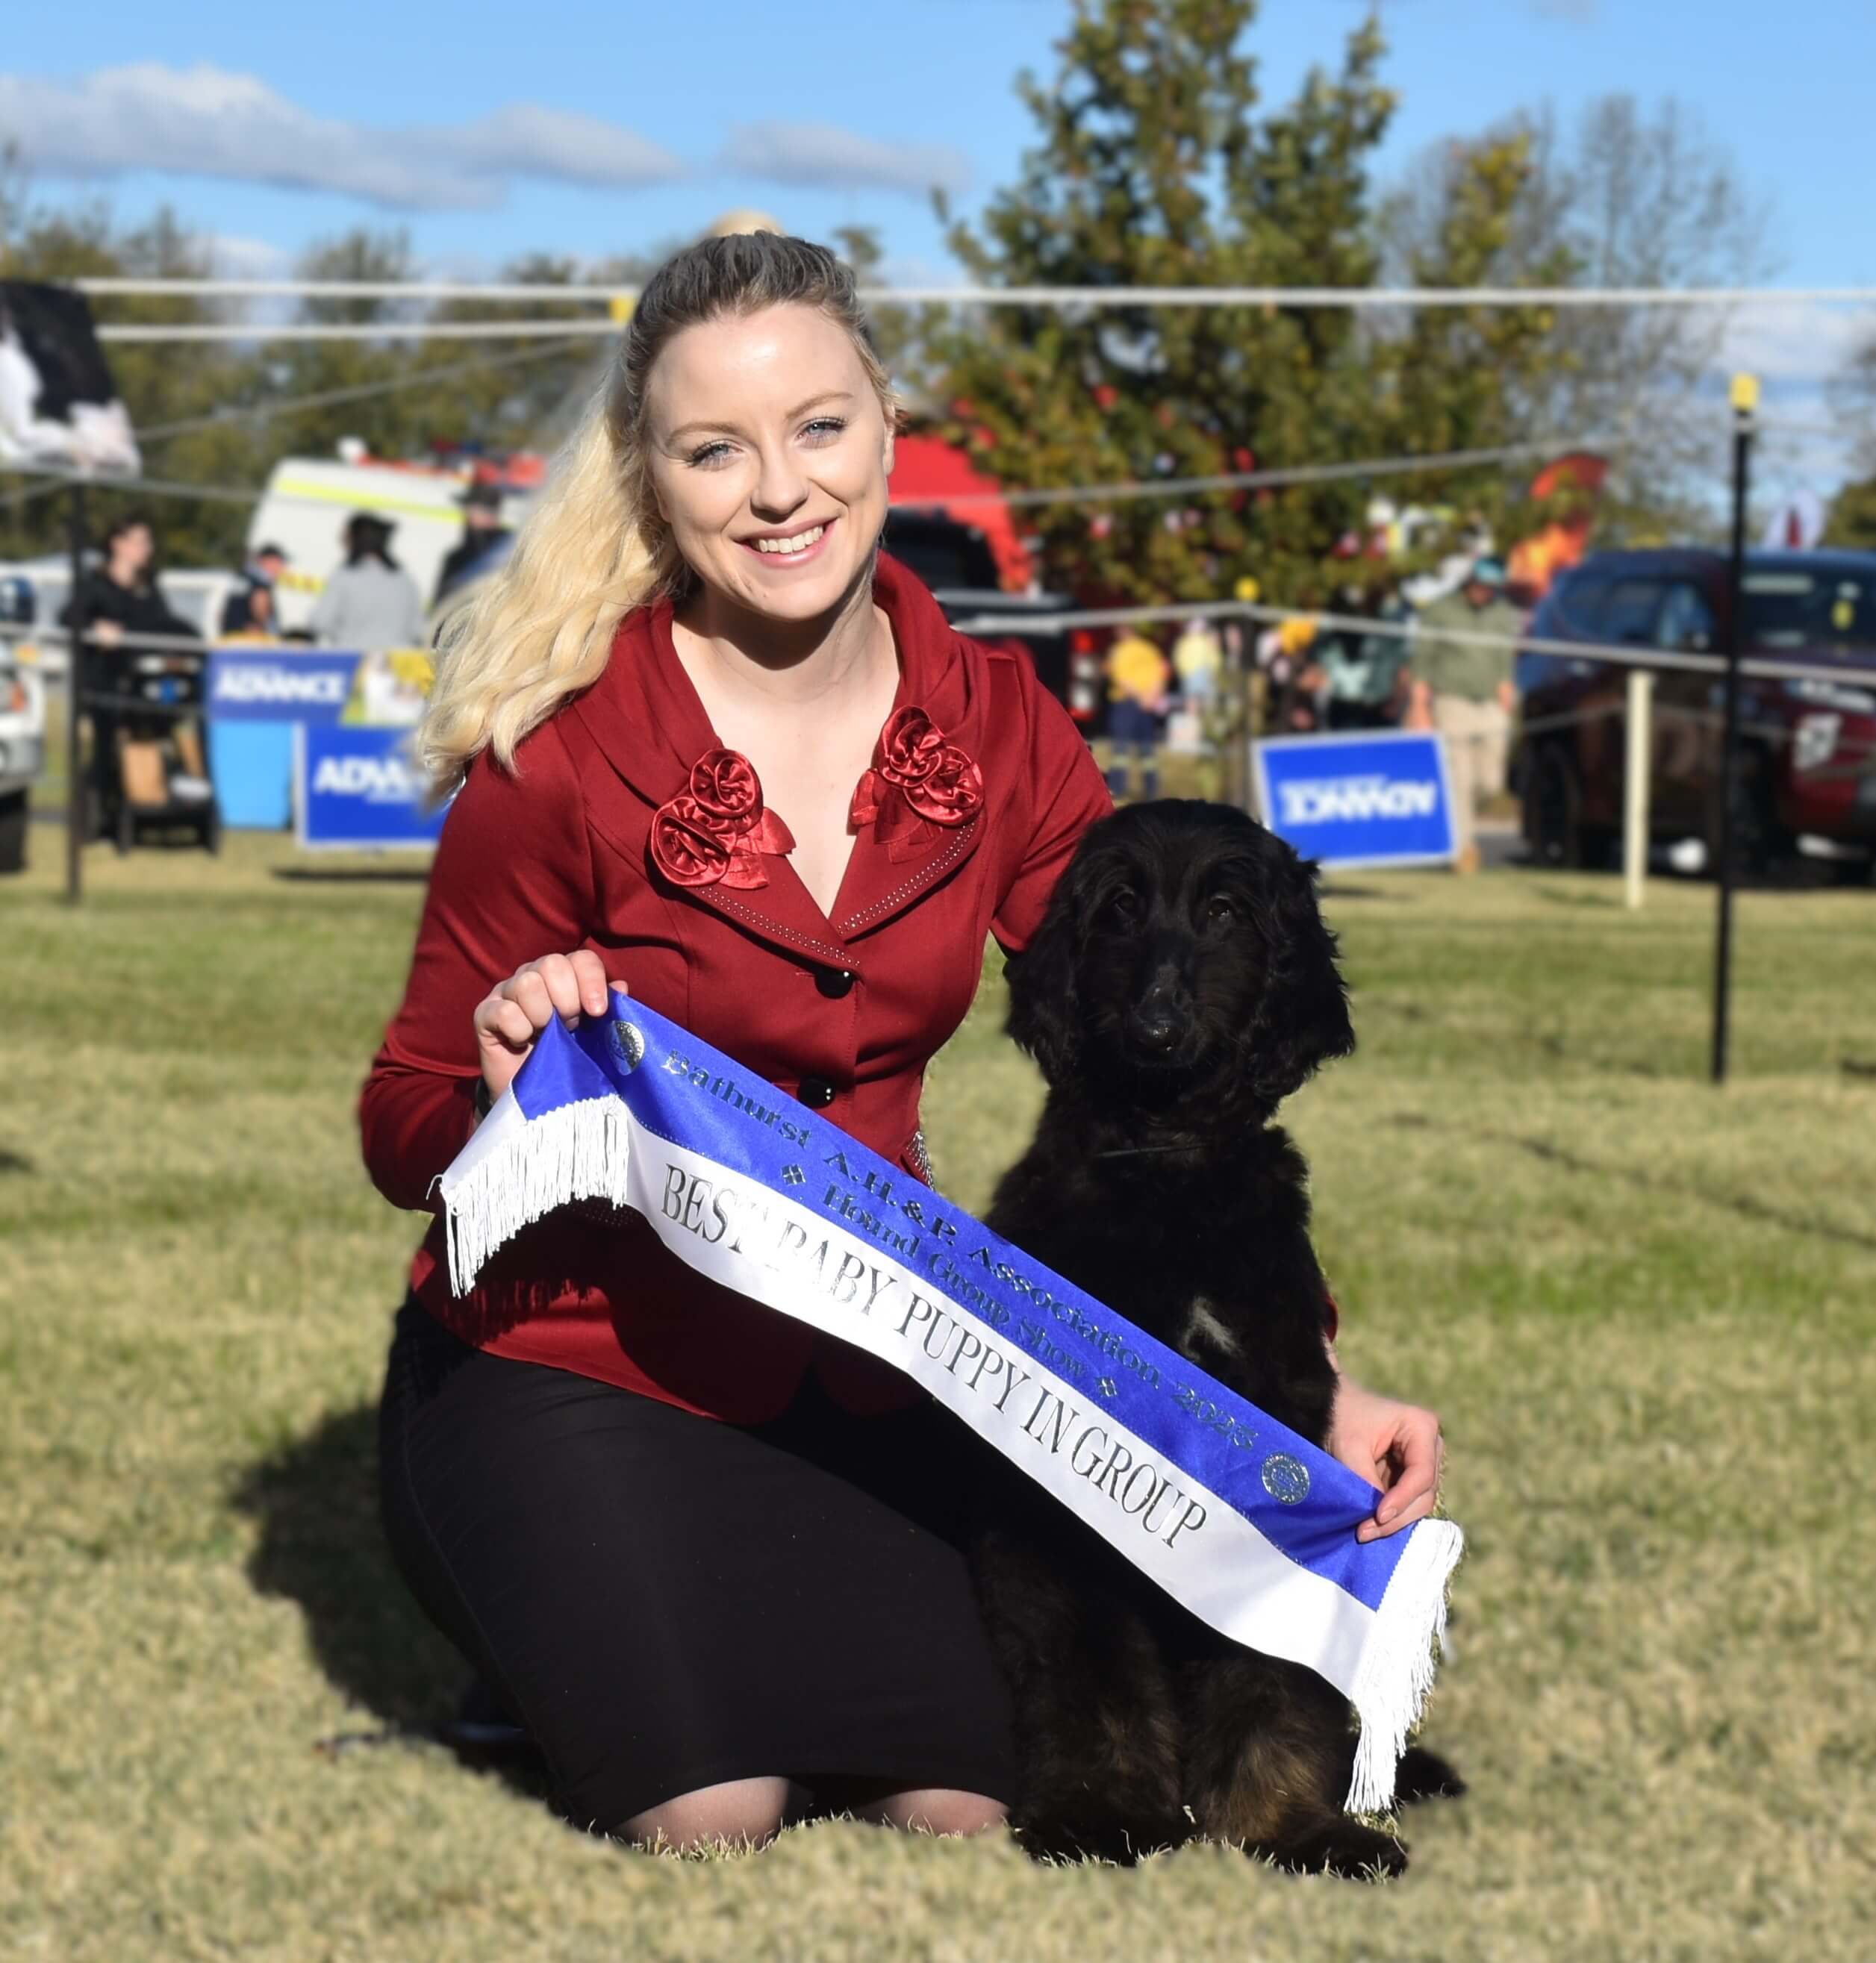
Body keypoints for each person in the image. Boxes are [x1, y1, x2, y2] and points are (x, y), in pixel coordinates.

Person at [361, 232, 1445, 1858]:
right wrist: (496, 1080)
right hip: (570, 1366)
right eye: (713, 450)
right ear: (651, 481)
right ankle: (523, 1627)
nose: (776, 490)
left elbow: (1149, 1083)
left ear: (884, 421)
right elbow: (401, 1122)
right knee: (716, 1813)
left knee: (972, 1794)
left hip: (868, 1368)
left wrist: (1303, 1384)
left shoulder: (1000, 726)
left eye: (817, 427)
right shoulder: (558, 758)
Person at [62, 514, 201, 833]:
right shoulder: (96, 586)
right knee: (106, 740)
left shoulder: (149, 588)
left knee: (181, 725)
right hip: (106, 686)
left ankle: (176, 794)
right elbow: (69, 617)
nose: (146, 549)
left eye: (148, 543)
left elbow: (168, 625)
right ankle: (100, 807)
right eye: (139, 542)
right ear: (118, 544)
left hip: (150, 686)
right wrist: (96, 628)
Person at [1408, 557, 1524, 873]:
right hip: (1451, 701)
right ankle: (1464, 849)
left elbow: (1505, 660)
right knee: (1459, 778)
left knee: (1490, 783)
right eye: (1481, 585)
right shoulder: (1440, 610)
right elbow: (1422, 662)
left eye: (1491, 587)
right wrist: (1419, 707)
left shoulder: (1502, 613)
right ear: (1469, 581)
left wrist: (1507, 693)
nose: (1485, 591)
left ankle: (1457, 825)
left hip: (1490, 704)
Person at [309, 514, 425, 651]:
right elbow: (418, 629)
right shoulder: (403, 579)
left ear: (355, 539)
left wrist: (343, 636)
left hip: (354, 657)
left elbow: (320, 621)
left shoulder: (345, 576)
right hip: (397, 659)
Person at [1321, 576, 1409, 732]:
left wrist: (1397, 700)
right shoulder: (1337, 622)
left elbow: (1401, 663)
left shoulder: (1392, 620)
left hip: (1381, 706)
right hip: (1342, 705)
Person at [1102, 625, 1171, 796]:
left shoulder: (1119, 651)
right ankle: (1151, 790)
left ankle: (1117, 789)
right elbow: (1162, 674)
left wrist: (1140, 698)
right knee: (1147, 749)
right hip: (1148, 703)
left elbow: (1122, 680)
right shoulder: (1150, 649)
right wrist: (1152, 697)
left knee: (1121, 749)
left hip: (1126, 703)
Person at [432, 481, 513, 608]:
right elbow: (440, 607)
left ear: (489, 514)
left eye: (472, 511)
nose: (466, 516)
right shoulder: (455, 558)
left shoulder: (506, 554)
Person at [219, 543, 288, 637]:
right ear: (267, 561)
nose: (282, 568)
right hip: (249, 636)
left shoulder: (244, 576)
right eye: (280, 563)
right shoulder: (261, 580)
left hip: (230, 634)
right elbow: (260, 602)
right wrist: (263, 627)